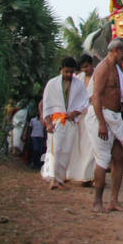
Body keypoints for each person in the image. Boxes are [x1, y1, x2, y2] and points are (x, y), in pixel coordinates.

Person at [86, 38, 123, 214]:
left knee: (119, 156)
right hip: (101, 116)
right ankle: (97, 201)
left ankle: (113, 200)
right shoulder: (102, 69)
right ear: (115, 50)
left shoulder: (116, 69)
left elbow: (117, 91)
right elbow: (96, 97)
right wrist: (101, 123)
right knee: (102, 159)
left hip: (114, 117)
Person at [41, 58, 89, 191]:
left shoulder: (79, 85)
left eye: (71, 72)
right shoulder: (52, 84)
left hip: (70, 121)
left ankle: (60, 179)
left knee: (67, 151)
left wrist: (75, 113)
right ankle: (52, 179)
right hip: (56, 121)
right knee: (54, 150)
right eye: (66, 71)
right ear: (61, 69)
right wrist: (48, 123)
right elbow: (47, 104)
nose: (68, 74)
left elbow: (84, 102)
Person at [67, 54, 96, 185]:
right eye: (83, 67)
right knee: (78, 145)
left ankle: (89, 176)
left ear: (91, 64)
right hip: (79, 115)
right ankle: (76, 173)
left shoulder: (98, 76)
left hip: (93, 113)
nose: (85, 69)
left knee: (91, 145)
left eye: (87, 66)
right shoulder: (78, 78)